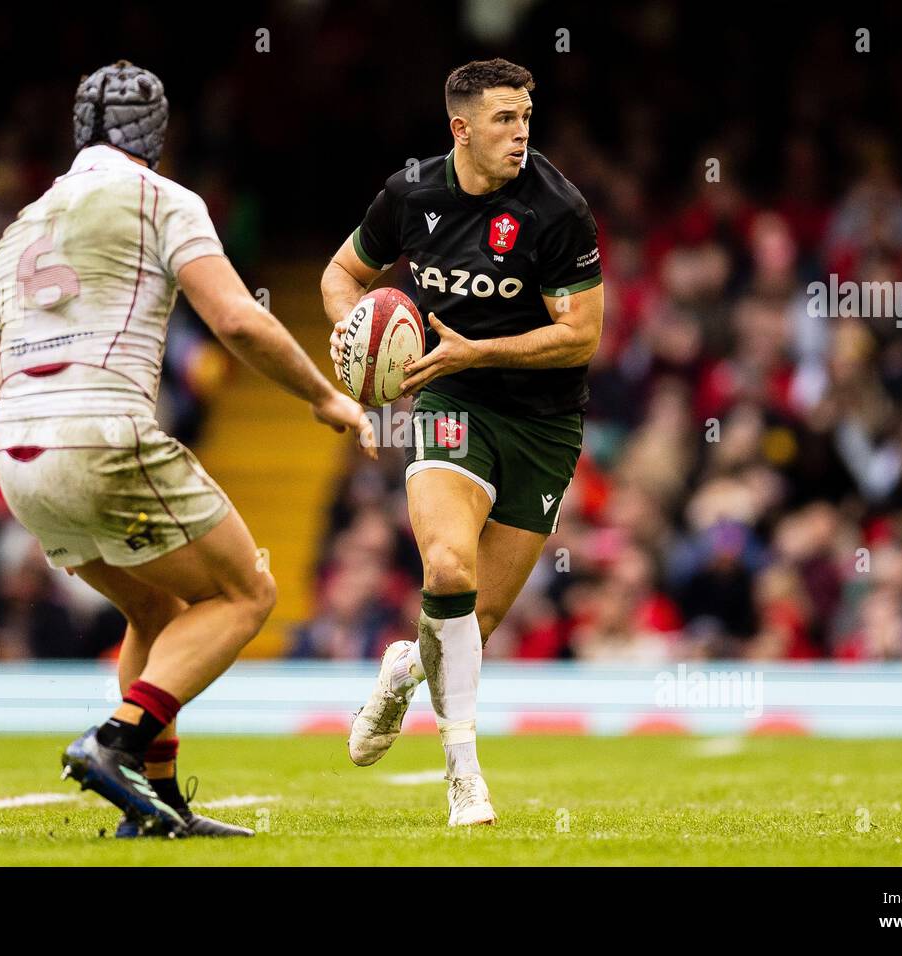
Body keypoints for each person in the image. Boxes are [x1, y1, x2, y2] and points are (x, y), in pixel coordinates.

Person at [0, 61, 373, 838]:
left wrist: (35, 462)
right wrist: (326, 398)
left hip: (18, 458)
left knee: (153, 606)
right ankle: (114, 740)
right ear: (156, 135)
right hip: (101, 432)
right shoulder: (163, 198)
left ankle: (157, 804)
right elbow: (238, 321)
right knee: (247, 593)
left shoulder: (11, 232)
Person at [320, 58, 604, 825]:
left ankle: (405, 667)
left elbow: (581, 336)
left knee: (469, 627)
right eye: (505, 119)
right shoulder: (411, 192)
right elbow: (340, 275)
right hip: (450, 399)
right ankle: (464, 777)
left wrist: (478, 349)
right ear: (462, 128)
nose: (520, 133)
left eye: (525, 118)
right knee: (448, 566)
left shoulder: (557, 208)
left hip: (544, 424)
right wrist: (357, 339)